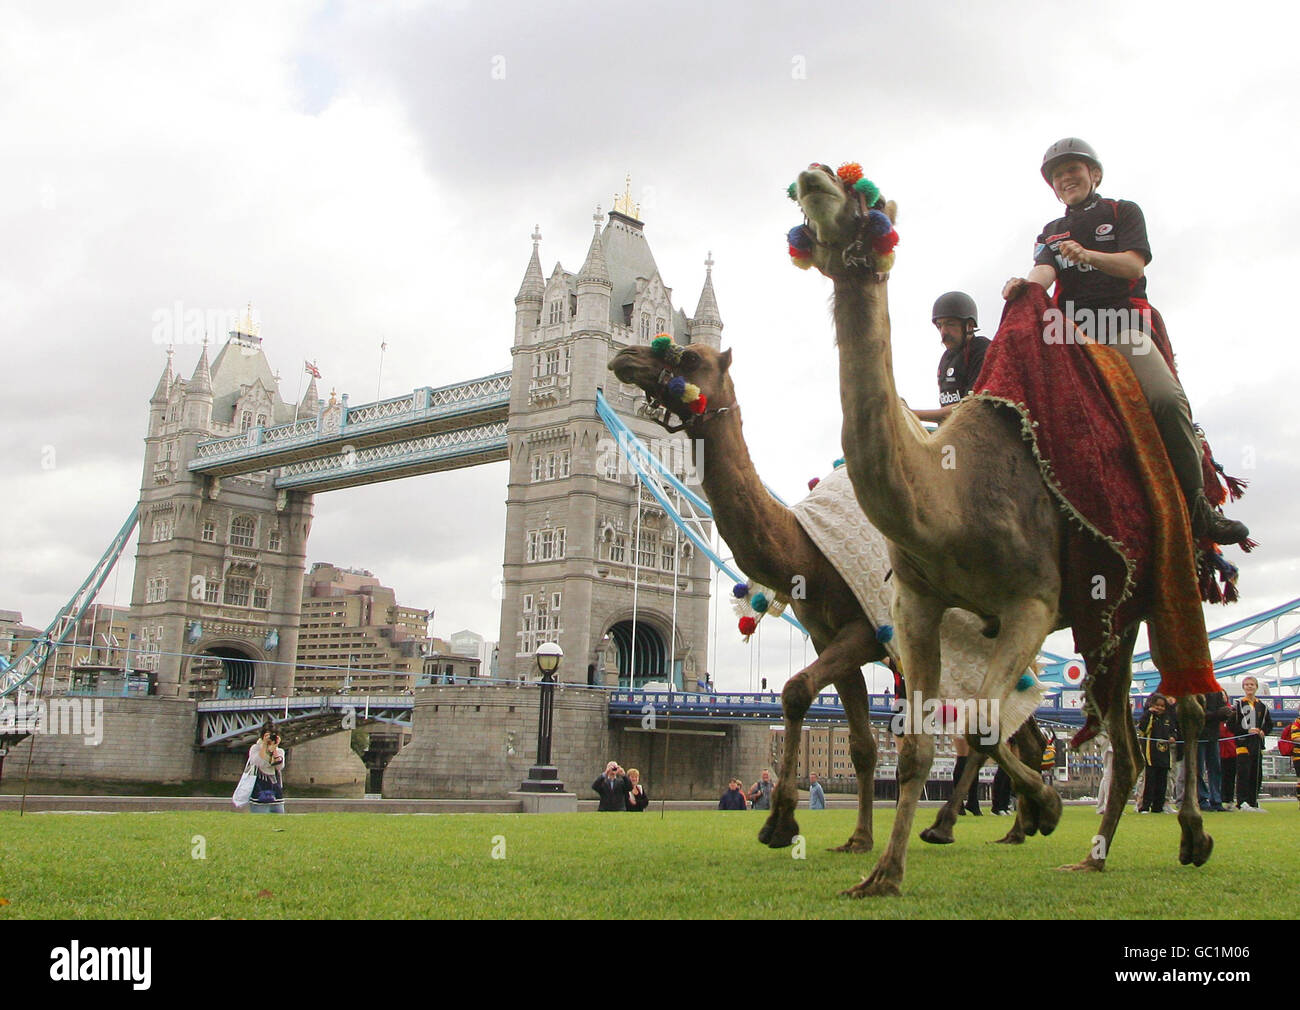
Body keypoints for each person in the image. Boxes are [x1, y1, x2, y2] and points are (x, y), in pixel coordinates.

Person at [1002, 137, 1249, 547]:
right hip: (1072, 334)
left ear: (1094, 174)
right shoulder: (1048, 233)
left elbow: (1132, 264)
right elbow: (1042, 272)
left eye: (1073, 170)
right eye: (1058, 175)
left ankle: (1198, 508)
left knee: (1167, 400)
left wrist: (1087, 255)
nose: (1066, 179)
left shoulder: (1123, 211)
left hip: (1121, 326)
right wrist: (1022, 287)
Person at [912, 291, 991, 425]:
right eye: (939, 325)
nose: (943, 332)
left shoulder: (982, 350)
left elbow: (968, 410)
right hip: (951, 435)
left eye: (950, 324)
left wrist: (910, 414)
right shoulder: (946, 358)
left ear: (970, 326)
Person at [1230, 676, 1273, 811]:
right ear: (1243, 687)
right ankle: (1242, 802)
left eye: (1252, 684)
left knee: (1256, 773)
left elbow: (1269, 724)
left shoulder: (1262, 706)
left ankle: (1253, 801)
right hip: (1243, 743)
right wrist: (1247, 730)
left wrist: (1262, 731)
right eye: (1247, 685)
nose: (1249, 687)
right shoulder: (1238, 705)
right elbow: (1231, 725)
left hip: (1257, 743)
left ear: (1256, 687)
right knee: (1244, 772)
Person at [1137, 693, 1177, 813]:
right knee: (1150, 782)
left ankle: (1158, 807)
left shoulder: (1167, 718)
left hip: (1164, 756)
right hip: (1151, 755)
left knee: (1162, 783)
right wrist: (1150, 713)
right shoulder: (1148, 716)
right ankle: (1145, 806)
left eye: (1162, 706)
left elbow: (1173, 731)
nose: (1160, 708)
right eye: (1157, 705)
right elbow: (1143, 730)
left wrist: (1172, 737)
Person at [1198, 690, 1233, 812]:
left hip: (1213, 735)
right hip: (1199, 735)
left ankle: (1216, 800)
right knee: (1199, 770)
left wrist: (1226, 713)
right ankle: (1202, 800)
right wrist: (1218, 714)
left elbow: (1220, 711)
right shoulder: (1194, 690)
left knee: (1215, 769)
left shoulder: (1215, 692)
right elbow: (1198, 713)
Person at [248, 724, 286, 814]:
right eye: (268, 735)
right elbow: (260, 763)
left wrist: (274, 747)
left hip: (276, 791)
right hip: (259, 790)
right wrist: (265, 745)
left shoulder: (279, 751)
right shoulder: (255, 749)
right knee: (260, 822)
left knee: (279, 821)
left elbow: (279, 766)